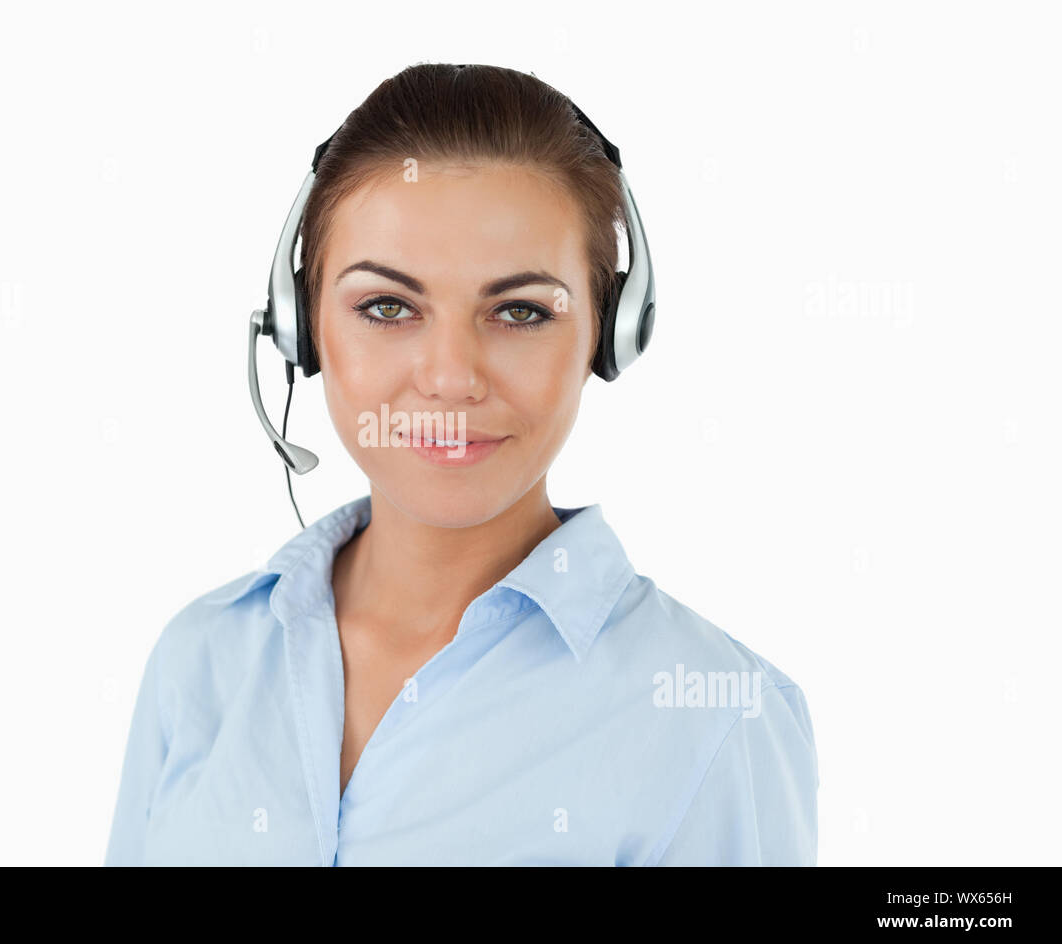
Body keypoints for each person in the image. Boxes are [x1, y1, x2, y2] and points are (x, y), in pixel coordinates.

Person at [105, 63, 818, 866]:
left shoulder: (716, 717)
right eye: (387, 307)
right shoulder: (201, 659)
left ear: (609, 338)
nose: (450, 376)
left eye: (519, 311)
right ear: (299, 329)